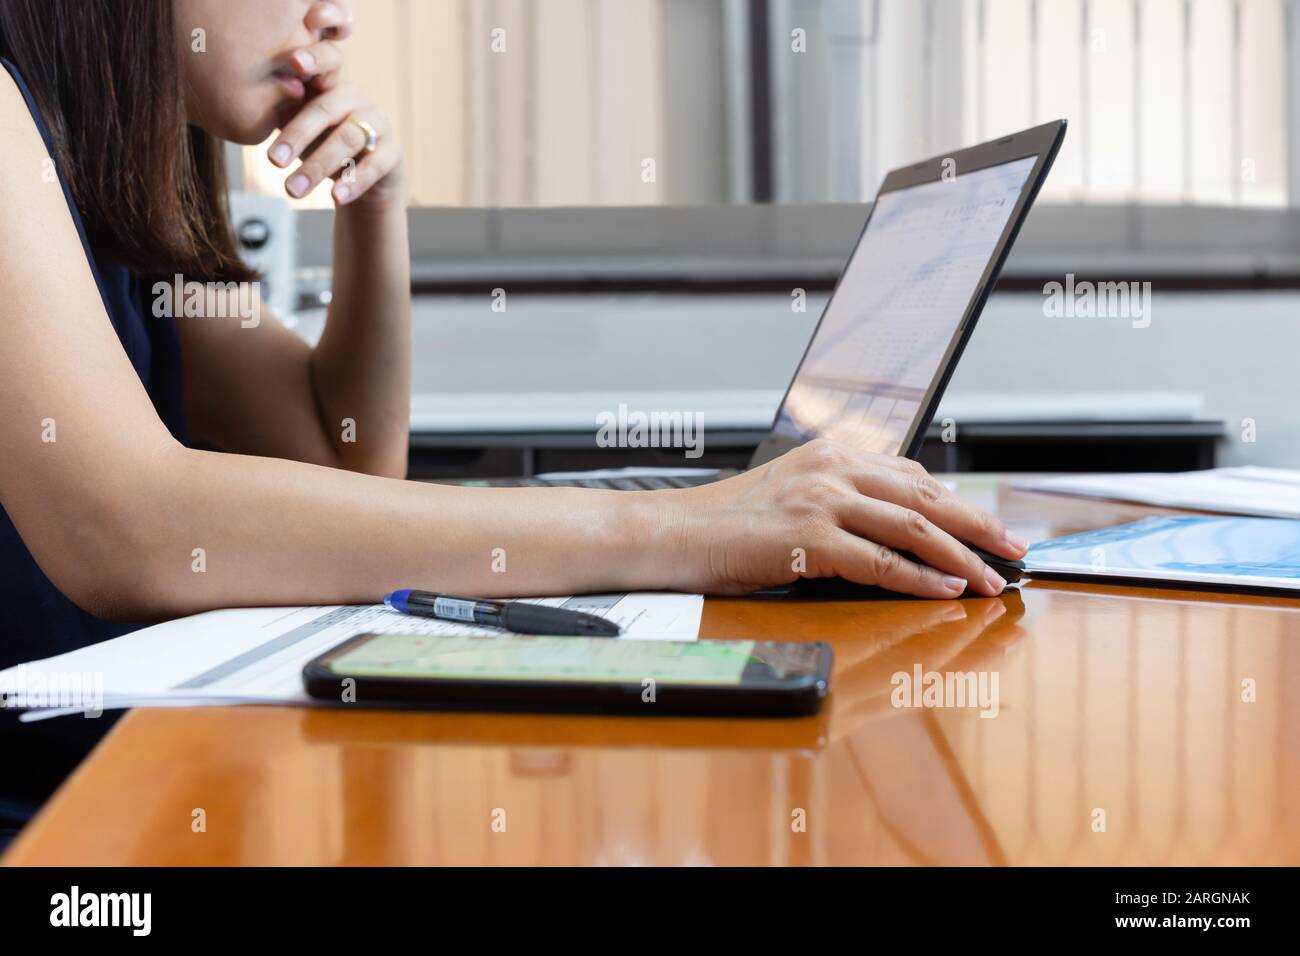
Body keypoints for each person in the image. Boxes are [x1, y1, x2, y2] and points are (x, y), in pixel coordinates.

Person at [0, 0, 1027, 843]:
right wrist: (691, 527)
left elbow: (342, 463)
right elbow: (126, 524)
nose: (335, 18)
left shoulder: (111, 175)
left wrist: (374, 205)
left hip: (104, 787)